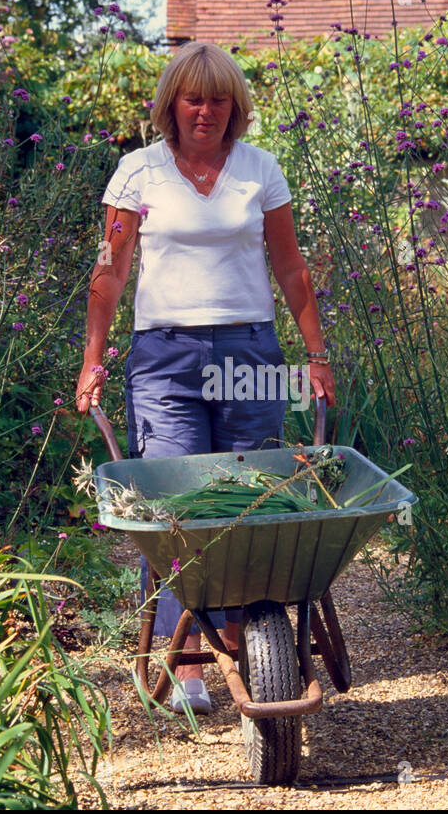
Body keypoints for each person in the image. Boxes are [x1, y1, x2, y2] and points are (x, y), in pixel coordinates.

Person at [74, 42, 335, 714]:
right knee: (174, 503)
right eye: (194, 98)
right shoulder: (137, 174)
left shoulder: (260, 170)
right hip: (165, 357)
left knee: (248, 498)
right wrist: (93, 357)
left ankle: (254, 639)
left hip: (249, 352)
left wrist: (317, 355)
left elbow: (292, 270)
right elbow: (109, 272)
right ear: (170, 106)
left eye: (220, 99)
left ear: (235, 108)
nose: (206, 110)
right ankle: (189, 664)